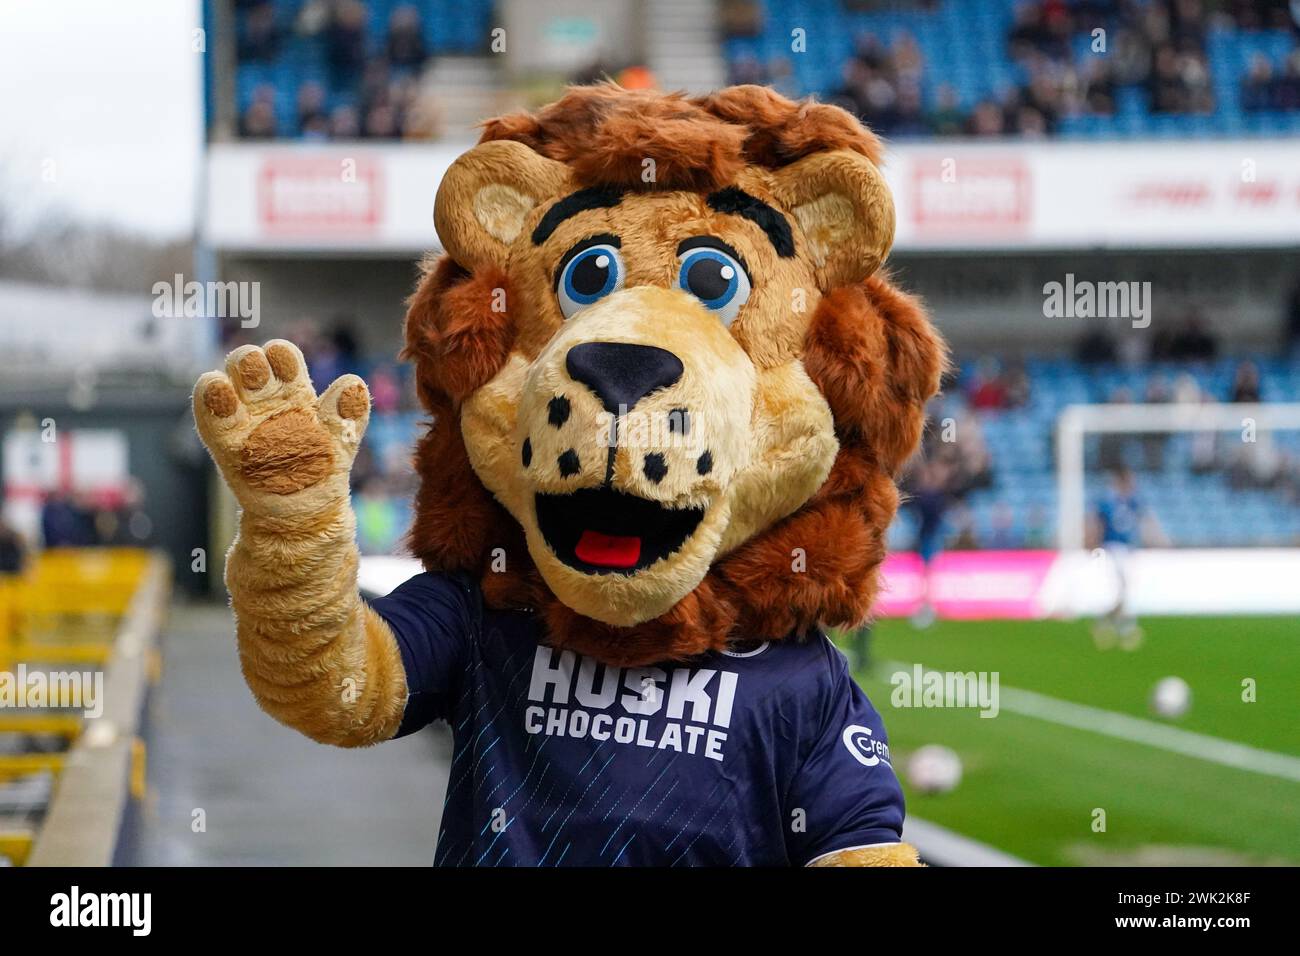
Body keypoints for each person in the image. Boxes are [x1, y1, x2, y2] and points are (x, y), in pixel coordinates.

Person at [1092, 467, 1149, 649]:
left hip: (1127, 549)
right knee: (1122, 586)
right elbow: (1098, 524)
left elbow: (1140, 523)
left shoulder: (1133, 502)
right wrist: (1094, 544)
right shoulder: (1107, 502)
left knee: (1124, 590)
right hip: (1111, 547)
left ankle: (1105, 621)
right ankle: (1127, 628)